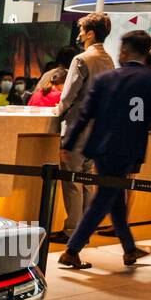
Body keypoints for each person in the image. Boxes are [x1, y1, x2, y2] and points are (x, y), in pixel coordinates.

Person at [57, 30, 151, 270]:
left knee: (114, 196)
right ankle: (72, 249)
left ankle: (129, 249)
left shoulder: (106, 79)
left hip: (100, 147)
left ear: (126, 51)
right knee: (105, 197)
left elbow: (85, 114)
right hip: (128, 148)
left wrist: (69, 144)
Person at [56, 12, 115, 244]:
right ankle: (84, 229)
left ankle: (72, 229)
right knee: (87, 180)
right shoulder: (109, 60)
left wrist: (57, 112)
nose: (79, 35)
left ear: (90, 33)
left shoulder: (81, 59)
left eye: (82, 30)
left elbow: (68, 96)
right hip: (99, 130)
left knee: (72, 180)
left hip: (77, 127)